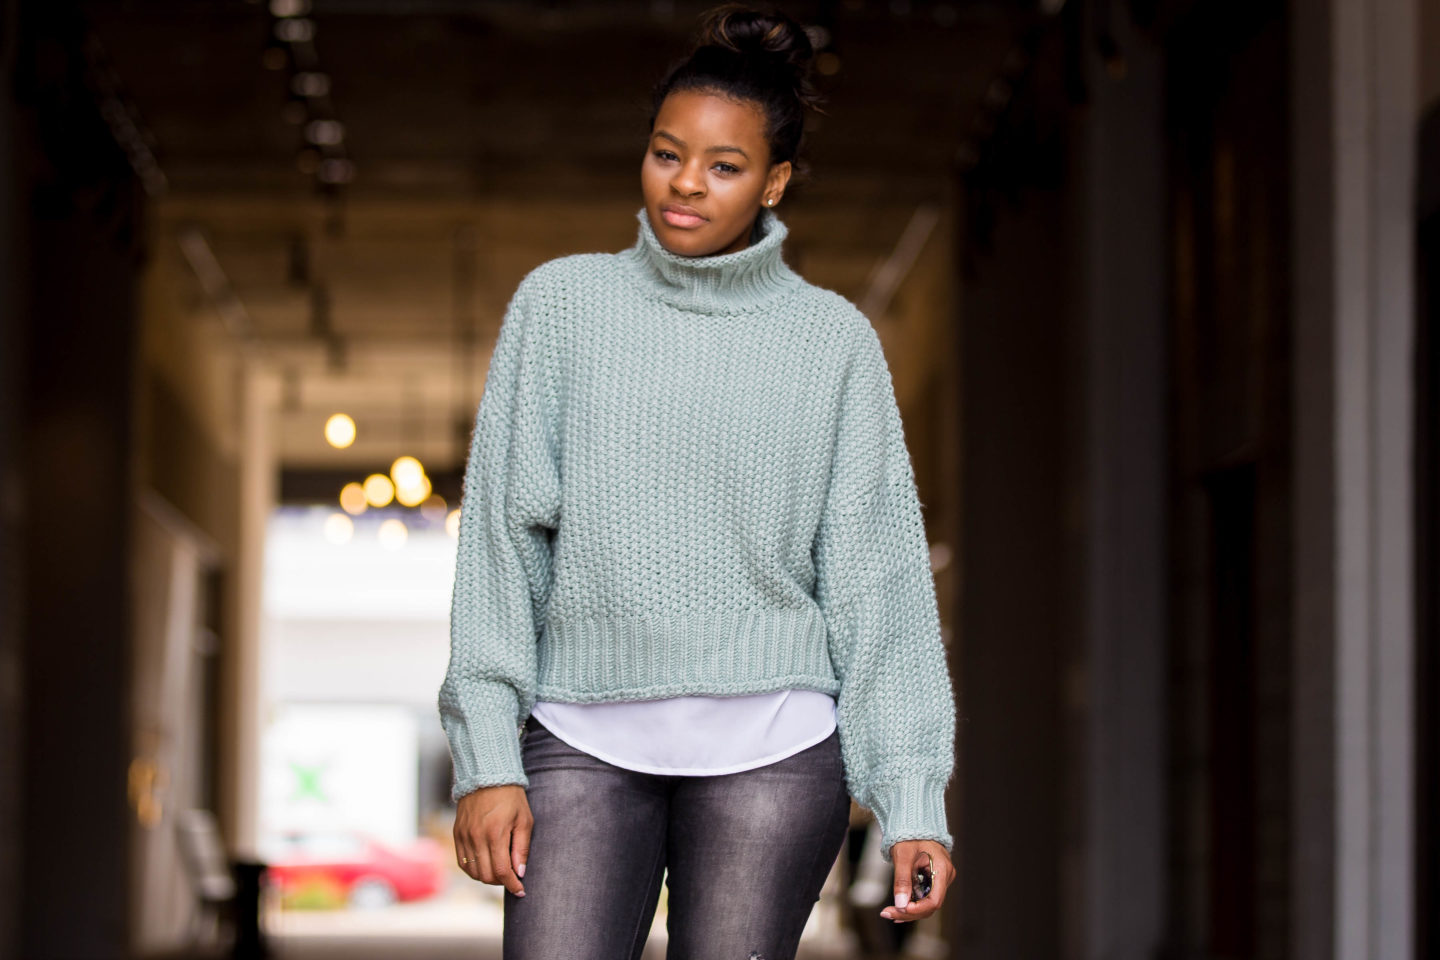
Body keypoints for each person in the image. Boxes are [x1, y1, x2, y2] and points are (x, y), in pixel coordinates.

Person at [437, 4, 957, 957]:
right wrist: (486, 761)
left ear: (776, 181)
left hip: (776, 747)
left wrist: (912, 790)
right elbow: (503, 545)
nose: (686, 184)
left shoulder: (832, 341)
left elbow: (877, 579)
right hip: (578, 737)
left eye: (725, 166)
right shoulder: (562, 308)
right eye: (667, 153)